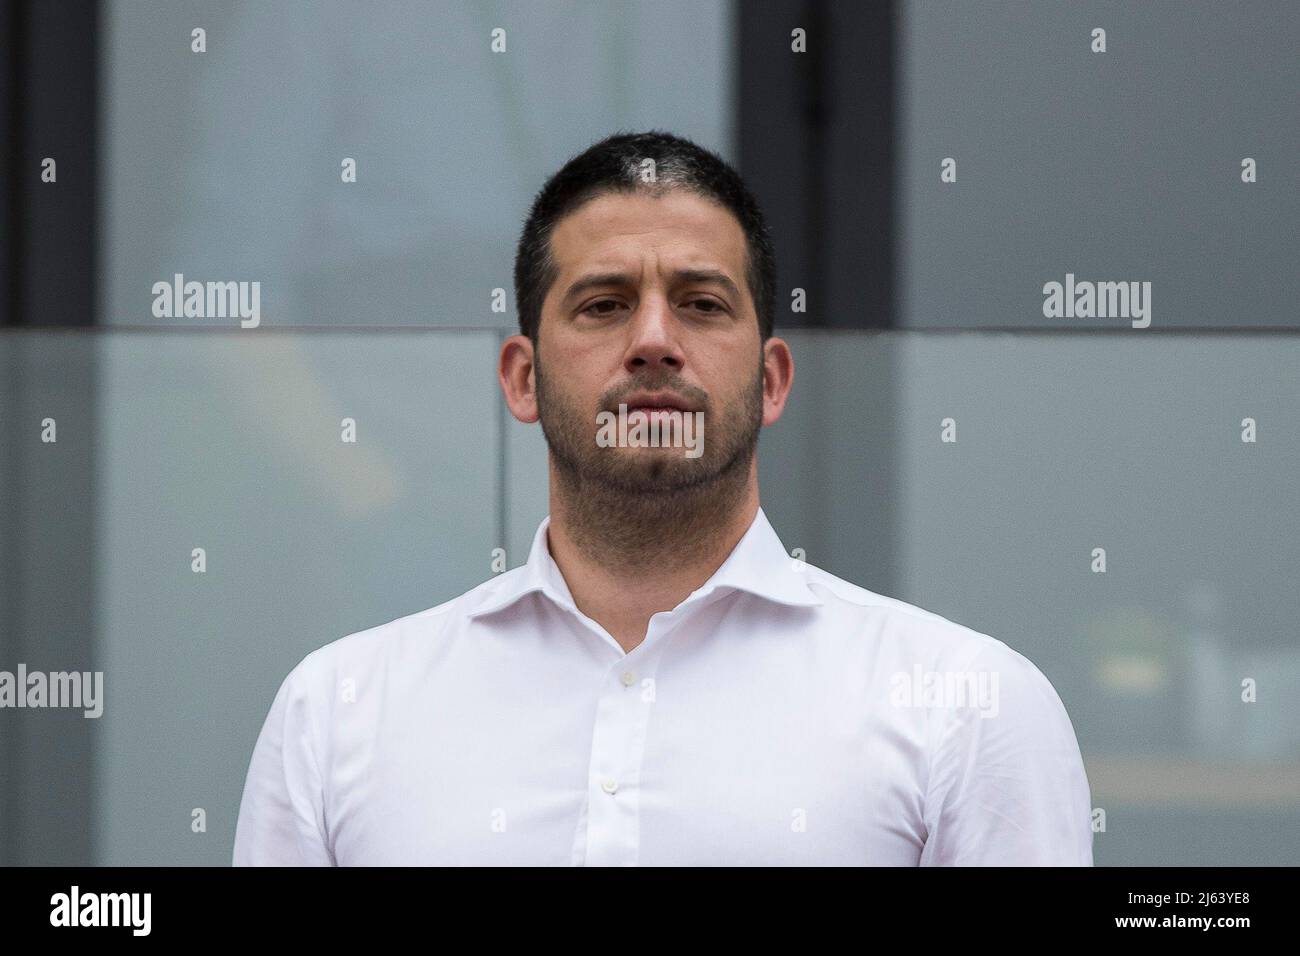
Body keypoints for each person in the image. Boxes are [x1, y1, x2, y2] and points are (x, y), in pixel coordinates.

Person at [233, 130, 1093, 865]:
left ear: (772, 378)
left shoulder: (966, 706)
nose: (653, 341)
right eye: (603, 305)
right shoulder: (337, 712)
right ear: (523, 379)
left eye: (702, 304)